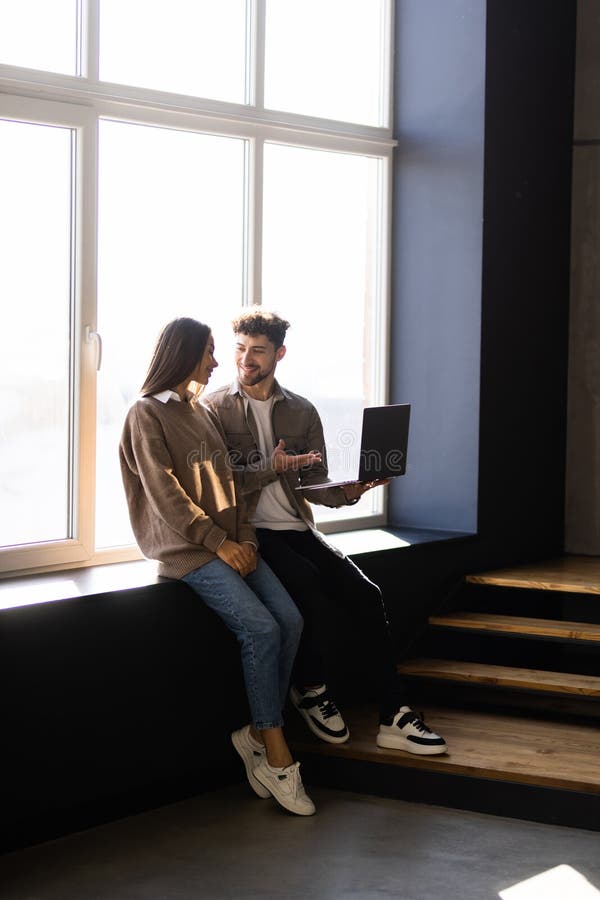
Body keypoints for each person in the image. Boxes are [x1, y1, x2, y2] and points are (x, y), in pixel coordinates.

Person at [205, 308, 447, 756]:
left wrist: (351, 491)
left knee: (367, 594)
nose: (246, 359)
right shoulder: (213, 409)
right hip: (251, 530)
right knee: (307, 584)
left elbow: (313, 486)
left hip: (297, 527)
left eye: (258, 350)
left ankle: (394, 715)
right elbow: (217, 485)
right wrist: (269, 468)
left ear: (279, 353)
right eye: (240, 349)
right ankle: (311, 689)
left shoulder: (301, 410)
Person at [119, 316, 315, 816]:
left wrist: (244, 538)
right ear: (182, 354)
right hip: (187, 552)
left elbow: (231, 487)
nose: (216, 360)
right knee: (262, 630)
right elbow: (168, 497)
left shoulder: (199, 412)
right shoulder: (146, 414)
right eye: (209, 351)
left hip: (230, 543)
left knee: (289, 621)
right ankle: (274, 752)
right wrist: (217, 543)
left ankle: (252, 732)